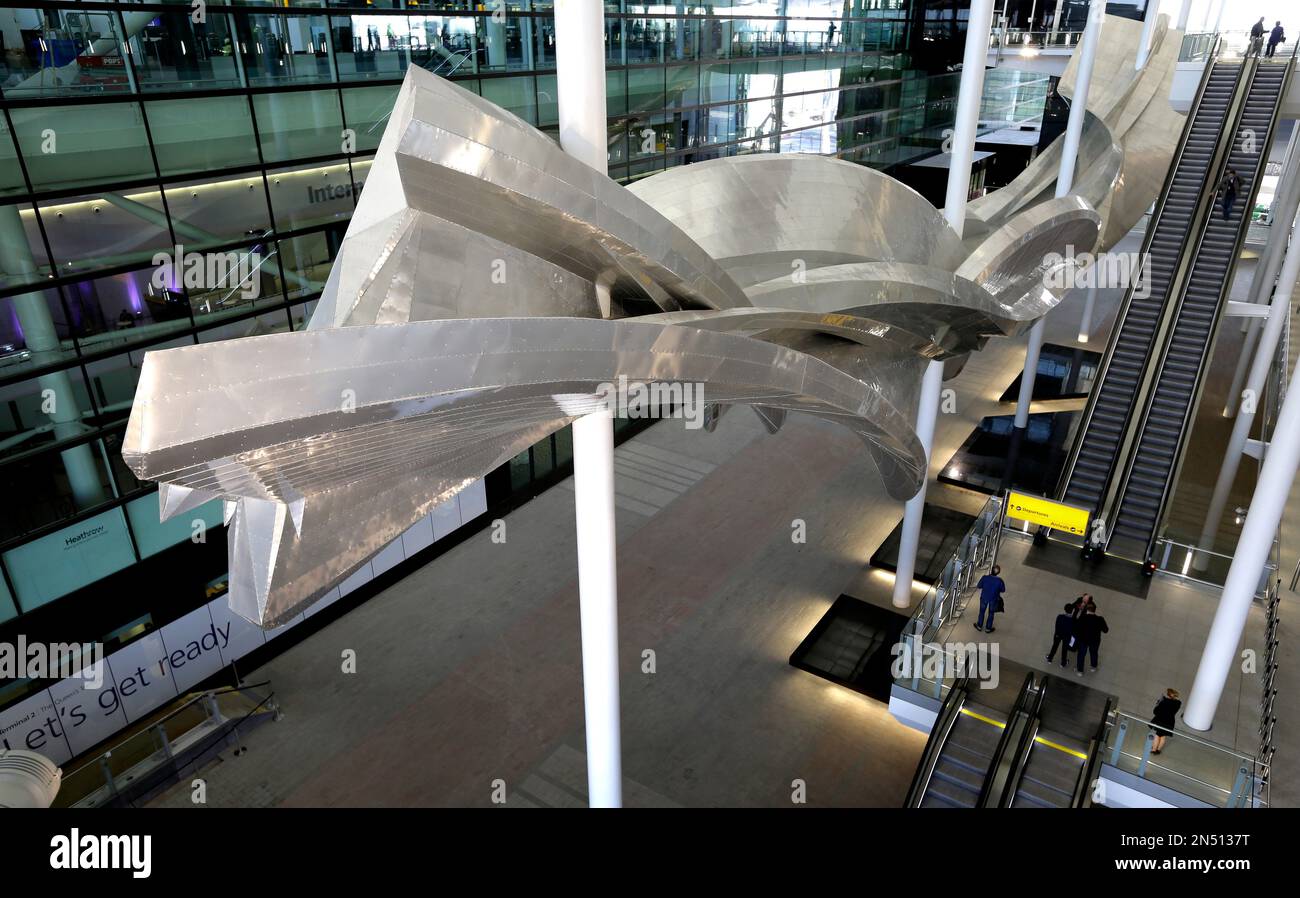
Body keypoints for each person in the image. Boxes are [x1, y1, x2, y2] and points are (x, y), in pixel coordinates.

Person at [1074, 605, 1109, 676]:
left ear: (1087, 610)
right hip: (1095, 640)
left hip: (1083, 640)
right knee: (1094, 653)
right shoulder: (1100, 619)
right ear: (1095, 610)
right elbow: (1106, 630)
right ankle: (1093, 667)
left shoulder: (1082, 618)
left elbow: (1077, 628)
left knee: (1081, 655)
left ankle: (1080, 671)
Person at [974, 564, 1006, 633]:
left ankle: (979, 625)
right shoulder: (1000, 581)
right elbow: (1003, 590)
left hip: (984, 598)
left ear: (991, 570)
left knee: (982, 612)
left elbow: (979, 586)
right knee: (991, 613)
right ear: (998, 573)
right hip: (993, 599)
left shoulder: (985, 578)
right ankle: (988, 628)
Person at [1149, 688, 1182, 753]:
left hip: (1160, 720)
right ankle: (1158, 750)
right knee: (1163, 736)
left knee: (1157, 735)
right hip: (1170, 722)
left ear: (1168, 695)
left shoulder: (1163, 702)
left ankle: (1154, 749)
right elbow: (1175, 702)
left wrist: (1158, 703)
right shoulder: (1178, 703)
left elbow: (1155, 712)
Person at [1045, 603, 1076, 667]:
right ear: (1072, 610)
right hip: (1067, 637)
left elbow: (1057, 626)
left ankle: (1050, 658)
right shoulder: (1073, 620)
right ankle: (1063, 663)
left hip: (1058, 635)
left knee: (1054, 646)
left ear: (1065, 609)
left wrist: (1056, 634)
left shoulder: (1060, 617)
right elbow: (1073, 630)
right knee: (1064, 649)